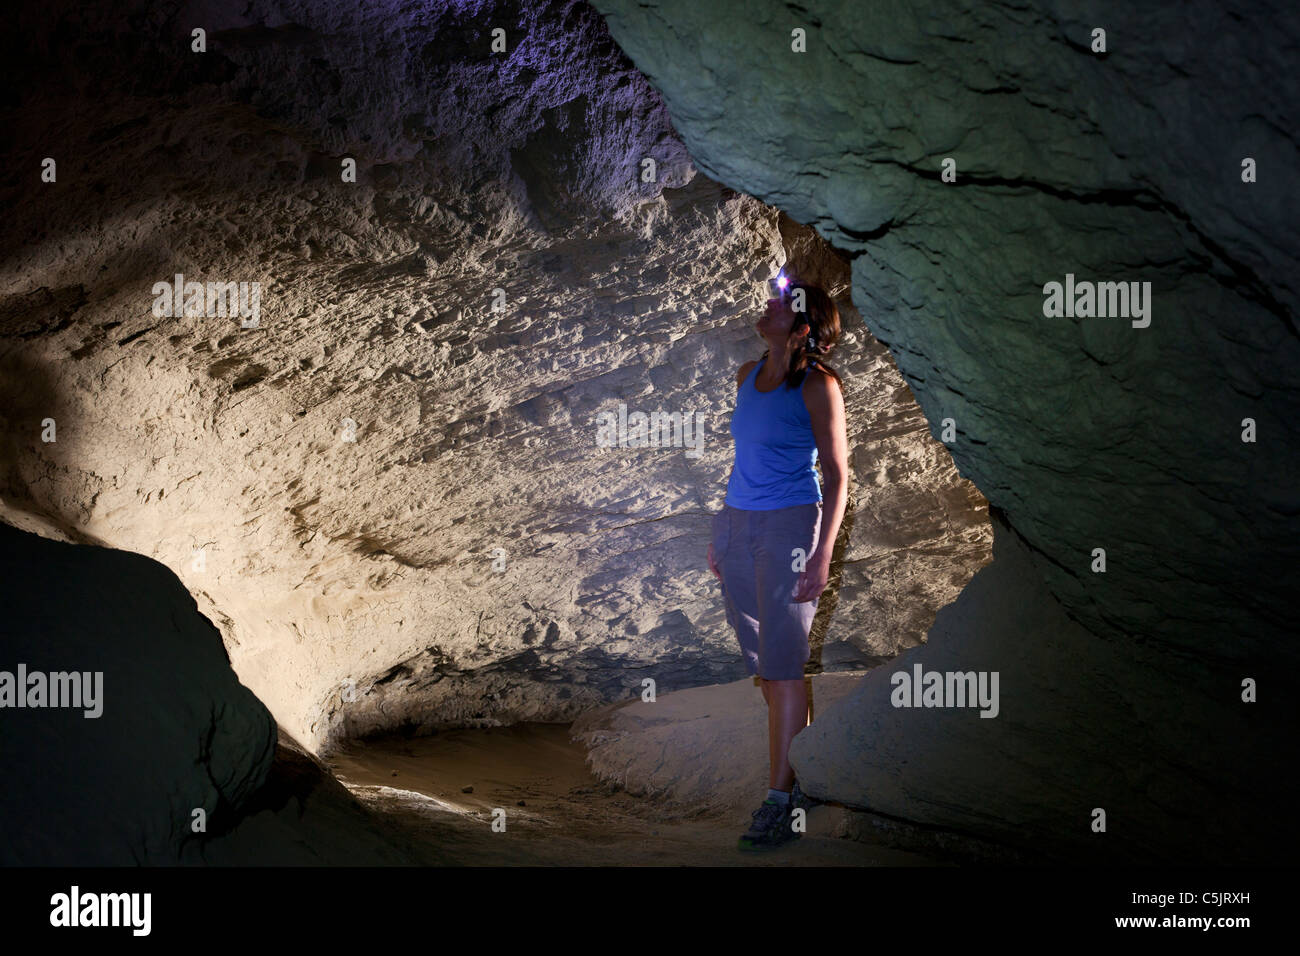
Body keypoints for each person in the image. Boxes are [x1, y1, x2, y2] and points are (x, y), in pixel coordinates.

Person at [708, 275, 848, 851]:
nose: (767, 307)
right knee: (766, 665)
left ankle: (778, 798)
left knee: (785, 665)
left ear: (804, 325)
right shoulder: (746, 375)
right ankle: (802, 771)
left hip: (792, 525)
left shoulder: (819, 387)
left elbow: (838, 475)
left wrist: (823, 552)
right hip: (738, 522)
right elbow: (743, 458)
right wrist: (722, 529)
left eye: (780, 304)